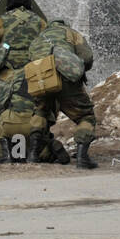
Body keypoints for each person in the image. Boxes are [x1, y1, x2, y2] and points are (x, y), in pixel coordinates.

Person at [0, 0, 48, 163]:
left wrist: (4, 47)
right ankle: (35, 150)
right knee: (43, 107)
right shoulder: (40, 23)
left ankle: (5, 153)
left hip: (8, 79)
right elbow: (47, 47)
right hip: (33, 78)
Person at [25, 19, 99, 169]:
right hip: (66, 81)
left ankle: (33, 154)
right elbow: (87, 58)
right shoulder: (71, 33)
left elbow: (31, 59)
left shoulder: (38, 39)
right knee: (86, 116)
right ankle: (82, 157)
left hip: (42, 81)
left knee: (40, 112)